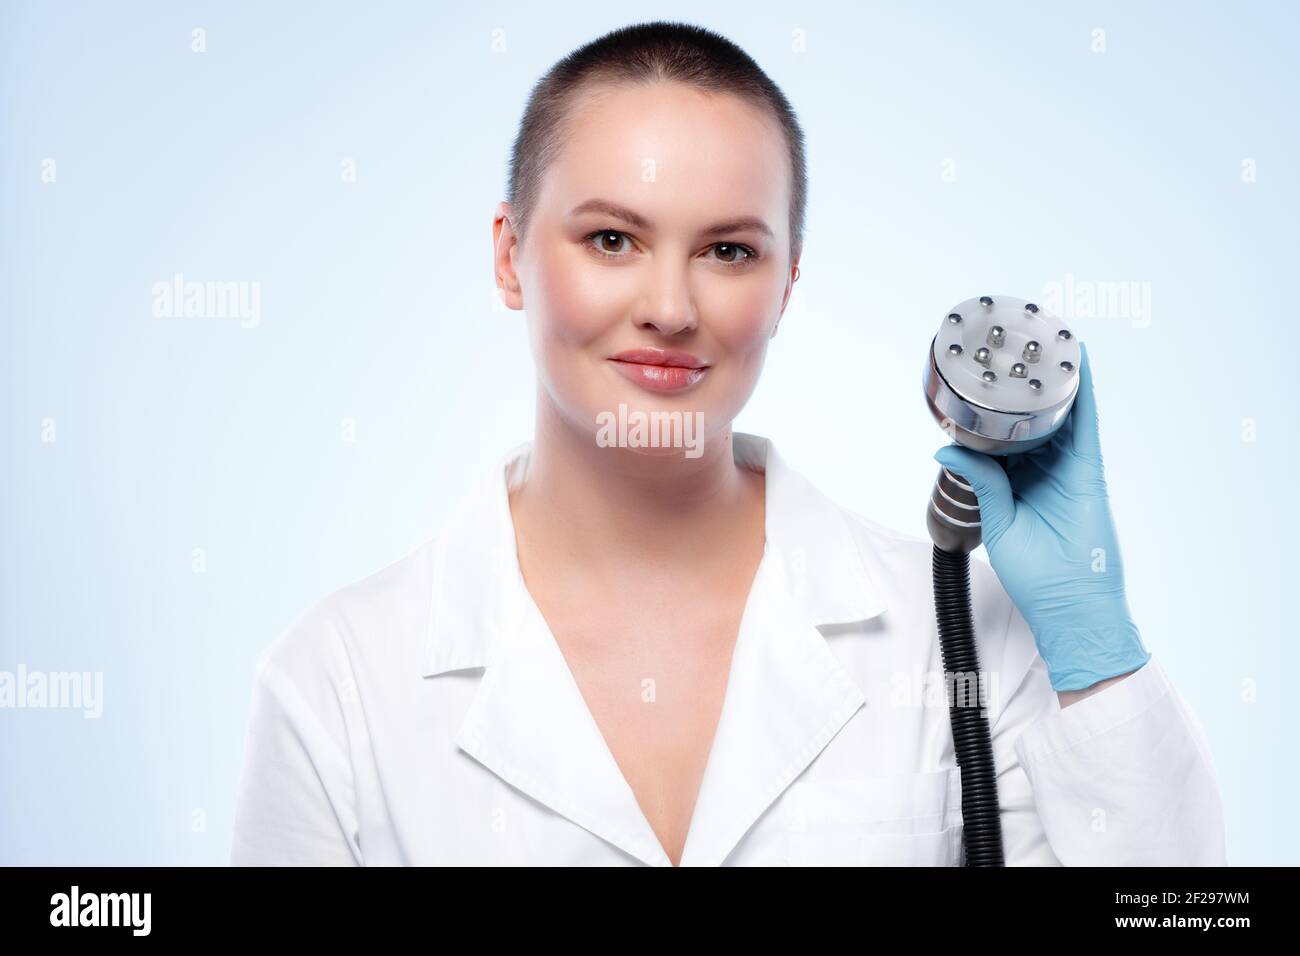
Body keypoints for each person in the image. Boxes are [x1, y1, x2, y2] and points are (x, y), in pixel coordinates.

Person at [230, 20, 1226, 867]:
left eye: (728, 251)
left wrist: (1098, 662)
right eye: (611, 239)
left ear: (786, 285)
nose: (668, 308)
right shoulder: (340, 681)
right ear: (508, 255)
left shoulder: (964, 640)